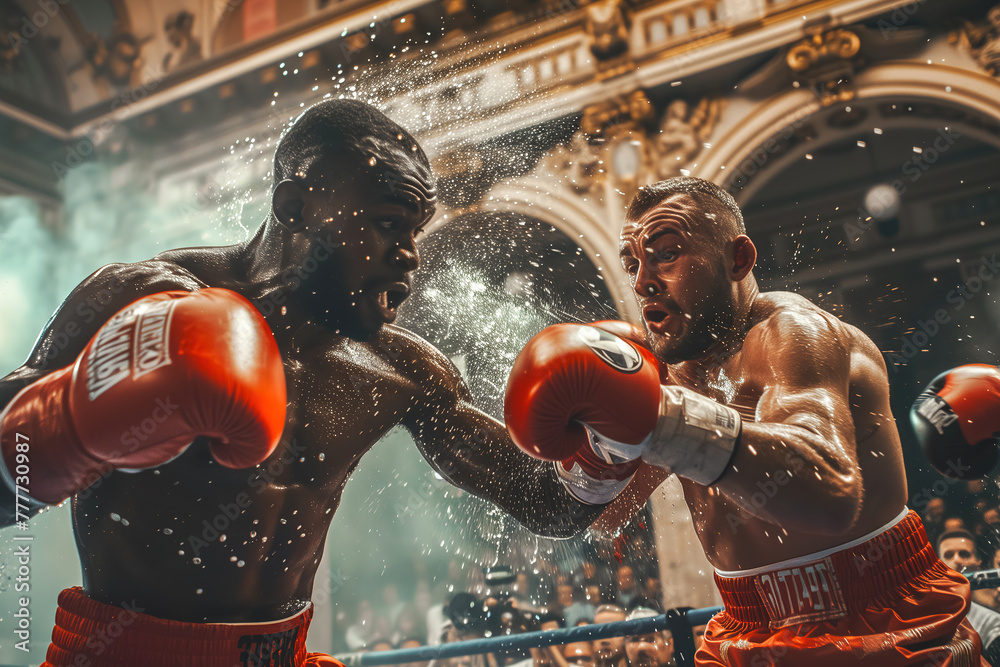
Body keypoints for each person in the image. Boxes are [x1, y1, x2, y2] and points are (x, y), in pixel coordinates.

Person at [0, 99, 608, 667]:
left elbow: (550, 503)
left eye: (414, 231)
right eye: (388, 223)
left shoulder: (398, 368)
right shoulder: (146, 298)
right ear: (294, 206)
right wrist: (68, 428)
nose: (410, 255)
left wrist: (623, 435)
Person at [504, 177, 988, 665]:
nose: (642, 280)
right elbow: (606, 515)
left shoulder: (793, 334)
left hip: (878, 618)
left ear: (738, 259)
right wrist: (594, 443)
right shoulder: (670, 371)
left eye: (666, 254)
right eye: (633, 263)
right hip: (743, 626)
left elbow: (829, 491)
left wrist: (659, 415)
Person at [938, 530, 1000, 666]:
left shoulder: (991, 621)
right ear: (938, 563)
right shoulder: (925, 612)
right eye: (949, 555)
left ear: (978, 561)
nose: (957, 560)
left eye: (964, 554)